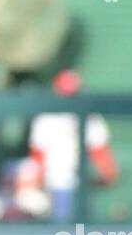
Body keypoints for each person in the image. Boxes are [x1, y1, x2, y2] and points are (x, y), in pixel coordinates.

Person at [26, 69, 120, 221]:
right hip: (55, 185)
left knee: (75, 234)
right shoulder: (46, 118)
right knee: (62, 232)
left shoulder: (90, 118)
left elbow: (101, 153)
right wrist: (33, 185)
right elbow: (38, 156)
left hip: (80, 185)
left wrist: (108, 174)